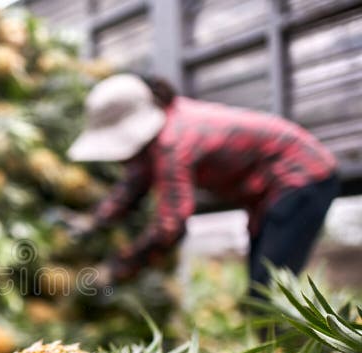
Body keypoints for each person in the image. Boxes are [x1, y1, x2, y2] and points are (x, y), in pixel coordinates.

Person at [64, 73, 339, 296]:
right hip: (274, 192)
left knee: (268, 293)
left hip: (303, 178)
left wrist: (116, 268)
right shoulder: (165, 126)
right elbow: (136, 181)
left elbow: (171, 225)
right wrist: (95, 220)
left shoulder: (173, 141)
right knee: (261, 289)